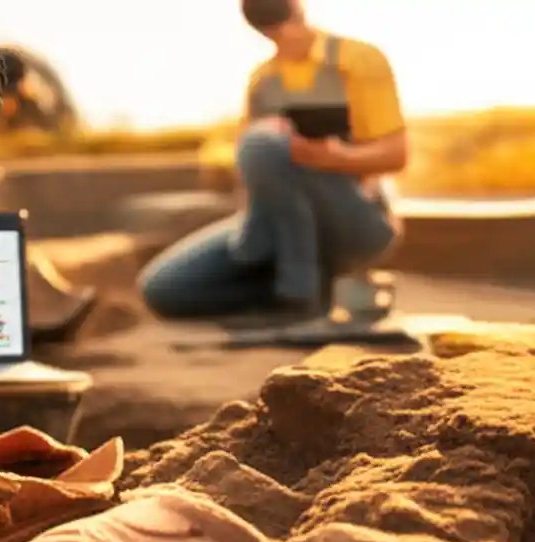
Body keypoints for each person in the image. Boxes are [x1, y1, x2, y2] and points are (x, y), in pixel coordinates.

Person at [139, 0, 408, 319]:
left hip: (354, 214)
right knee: (164, 289)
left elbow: (396, 155)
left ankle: (298, 296)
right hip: (275, 219)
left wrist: (335, 158)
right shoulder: (263, 79)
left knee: (260, 141)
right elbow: (252, 170)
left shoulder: (358, 60)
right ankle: (311, 285)